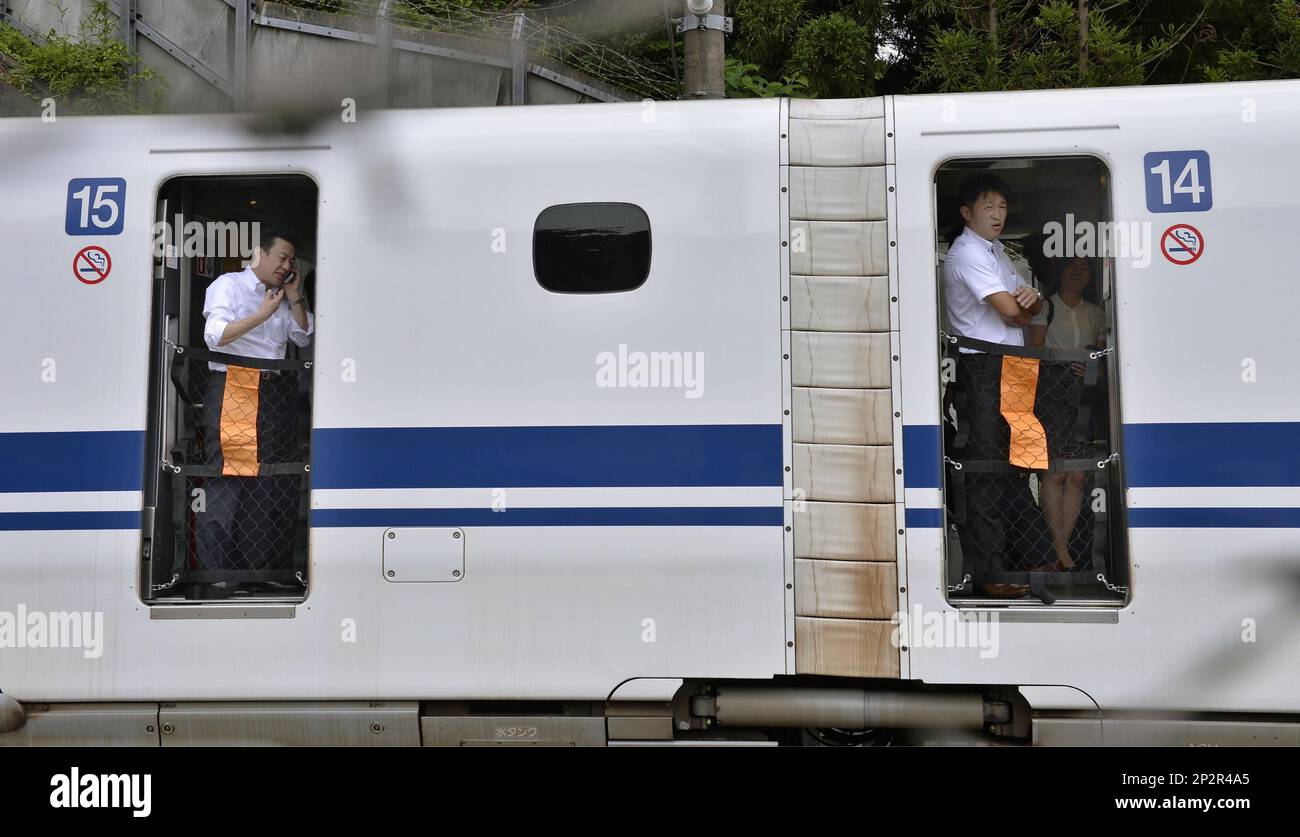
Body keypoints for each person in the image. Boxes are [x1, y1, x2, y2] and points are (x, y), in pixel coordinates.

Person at [943, 174, 1044, 598]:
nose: (998, 214)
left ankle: (1018, 561)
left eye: (1002, 206)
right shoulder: (967, 253)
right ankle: (988, 572)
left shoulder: (1000, 252)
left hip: (1014, 365)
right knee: (987, 468)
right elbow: (1015, 312)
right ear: (967, 213)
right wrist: (1025, 306)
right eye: (988, 206)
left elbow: (1035, 303)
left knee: (1016, 467)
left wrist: (1029, 304)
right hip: (985, 367)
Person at [195, 229, 312, 592]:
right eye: (282, 257)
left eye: (292, 260)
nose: (287, 265)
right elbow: (214, 336)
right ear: (258, 255)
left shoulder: (283, 294)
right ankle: (218, 574)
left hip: (277, 388)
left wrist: (294, 298)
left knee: (271, 480)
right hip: (237, 385)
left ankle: (259, 570)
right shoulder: (229, 285)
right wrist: (262, 313)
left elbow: (303, 337)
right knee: (231, 478)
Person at [1026, 256, 1105, 570]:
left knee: (1077, 475)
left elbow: (1100, 356)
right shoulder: (1045, 307)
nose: (1077, 271)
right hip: (1051, 393)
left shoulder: (1098, 313)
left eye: (1084, 266)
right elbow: (1033, 351)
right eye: (1071, 265)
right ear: (1058, 272)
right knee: (1054, 472)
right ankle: (1061, 554)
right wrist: (1067, 357)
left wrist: (1089, 360)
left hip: (1083, 395)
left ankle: (1061, 552)